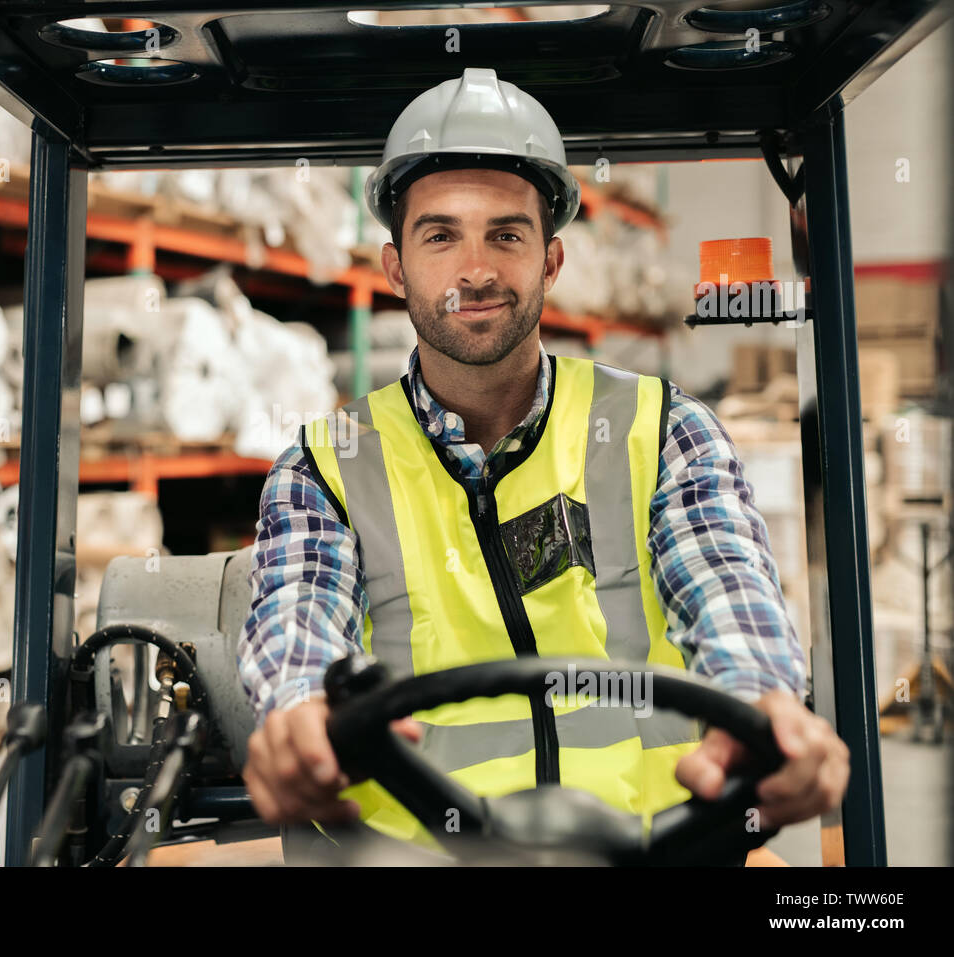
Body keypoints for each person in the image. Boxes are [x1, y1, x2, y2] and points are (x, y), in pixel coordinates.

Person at [236, 67, 849, 864]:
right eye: (440, 234)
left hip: (651, 846)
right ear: (394, 268)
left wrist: (766, 707)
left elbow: (730, 597)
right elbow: (297, 635)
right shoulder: (325, 466)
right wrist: (299, 719)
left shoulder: (663, 430)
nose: (478, 269)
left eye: (507, 234)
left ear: (551, 260)